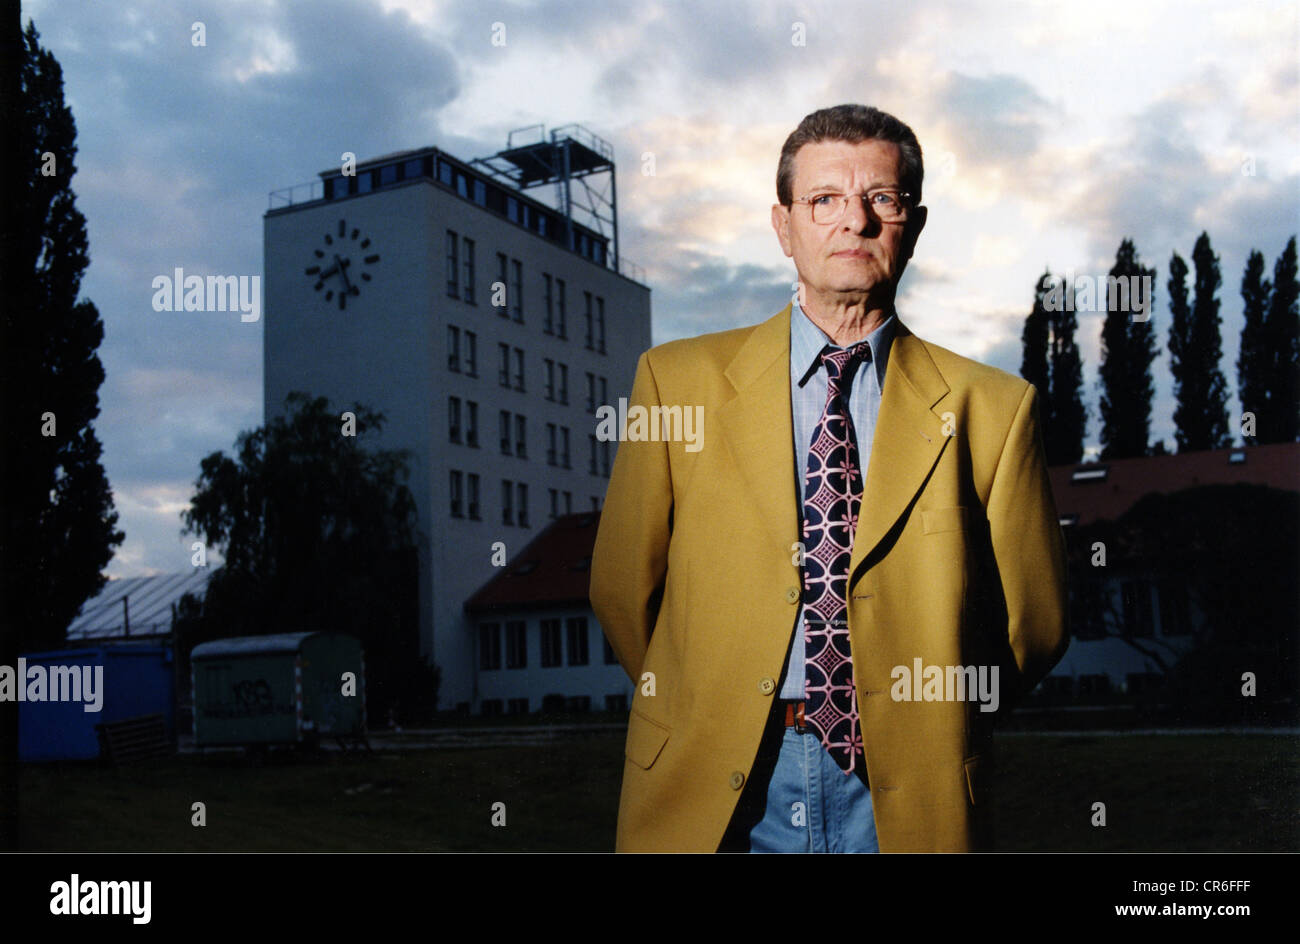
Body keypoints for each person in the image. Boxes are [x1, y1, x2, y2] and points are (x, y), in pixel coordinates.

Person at [589, 104, 1069, 853]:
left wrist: (926, 717)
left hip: (912, 794)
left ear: (914, 222)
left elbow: (1032, 626)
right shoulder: (674, 382)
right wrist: (704, 701)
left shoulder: (994, 409)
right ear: (783, 226)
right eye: (824, 200)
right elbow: (622, 587)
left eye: (882, 199)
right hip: (719, 778)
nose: (856, 222)